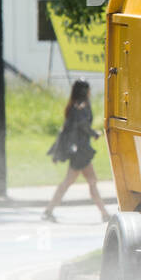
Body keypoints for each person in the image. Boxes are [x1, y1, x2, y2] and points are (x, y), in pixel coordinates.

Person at [43, 80, 111, 222]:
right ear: (86, 91)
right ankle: (48, 211)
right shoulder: (81, 106)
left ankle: (104, 214)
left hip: (79, 151)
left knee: (88, 181)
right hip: (81, 151)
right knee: (77, 181)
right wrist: (94, 134)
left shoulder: (74, 106)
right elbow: (83, 125)